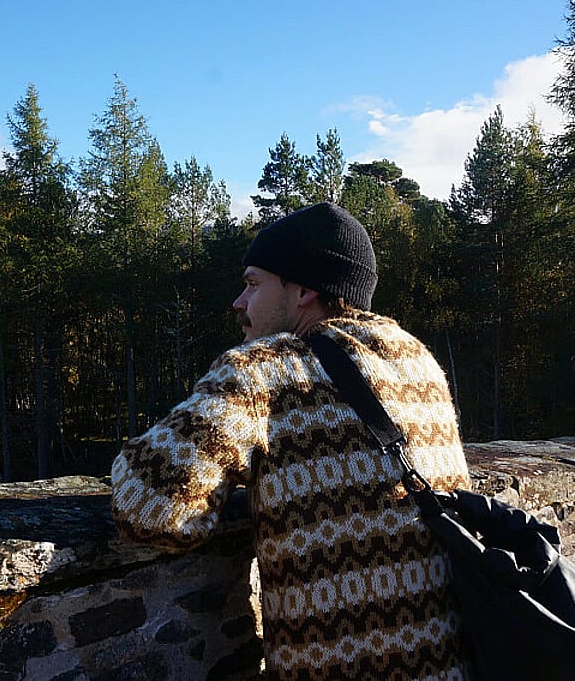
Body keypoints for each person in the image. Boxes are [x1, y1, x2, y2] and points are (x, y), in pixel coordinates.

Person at [111, 202, 472, 680]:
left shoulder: (263, 370)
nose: (239, 303)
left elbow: (153, 508)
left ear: (303, 290)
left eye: (253, 283)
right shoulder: (420, 364)